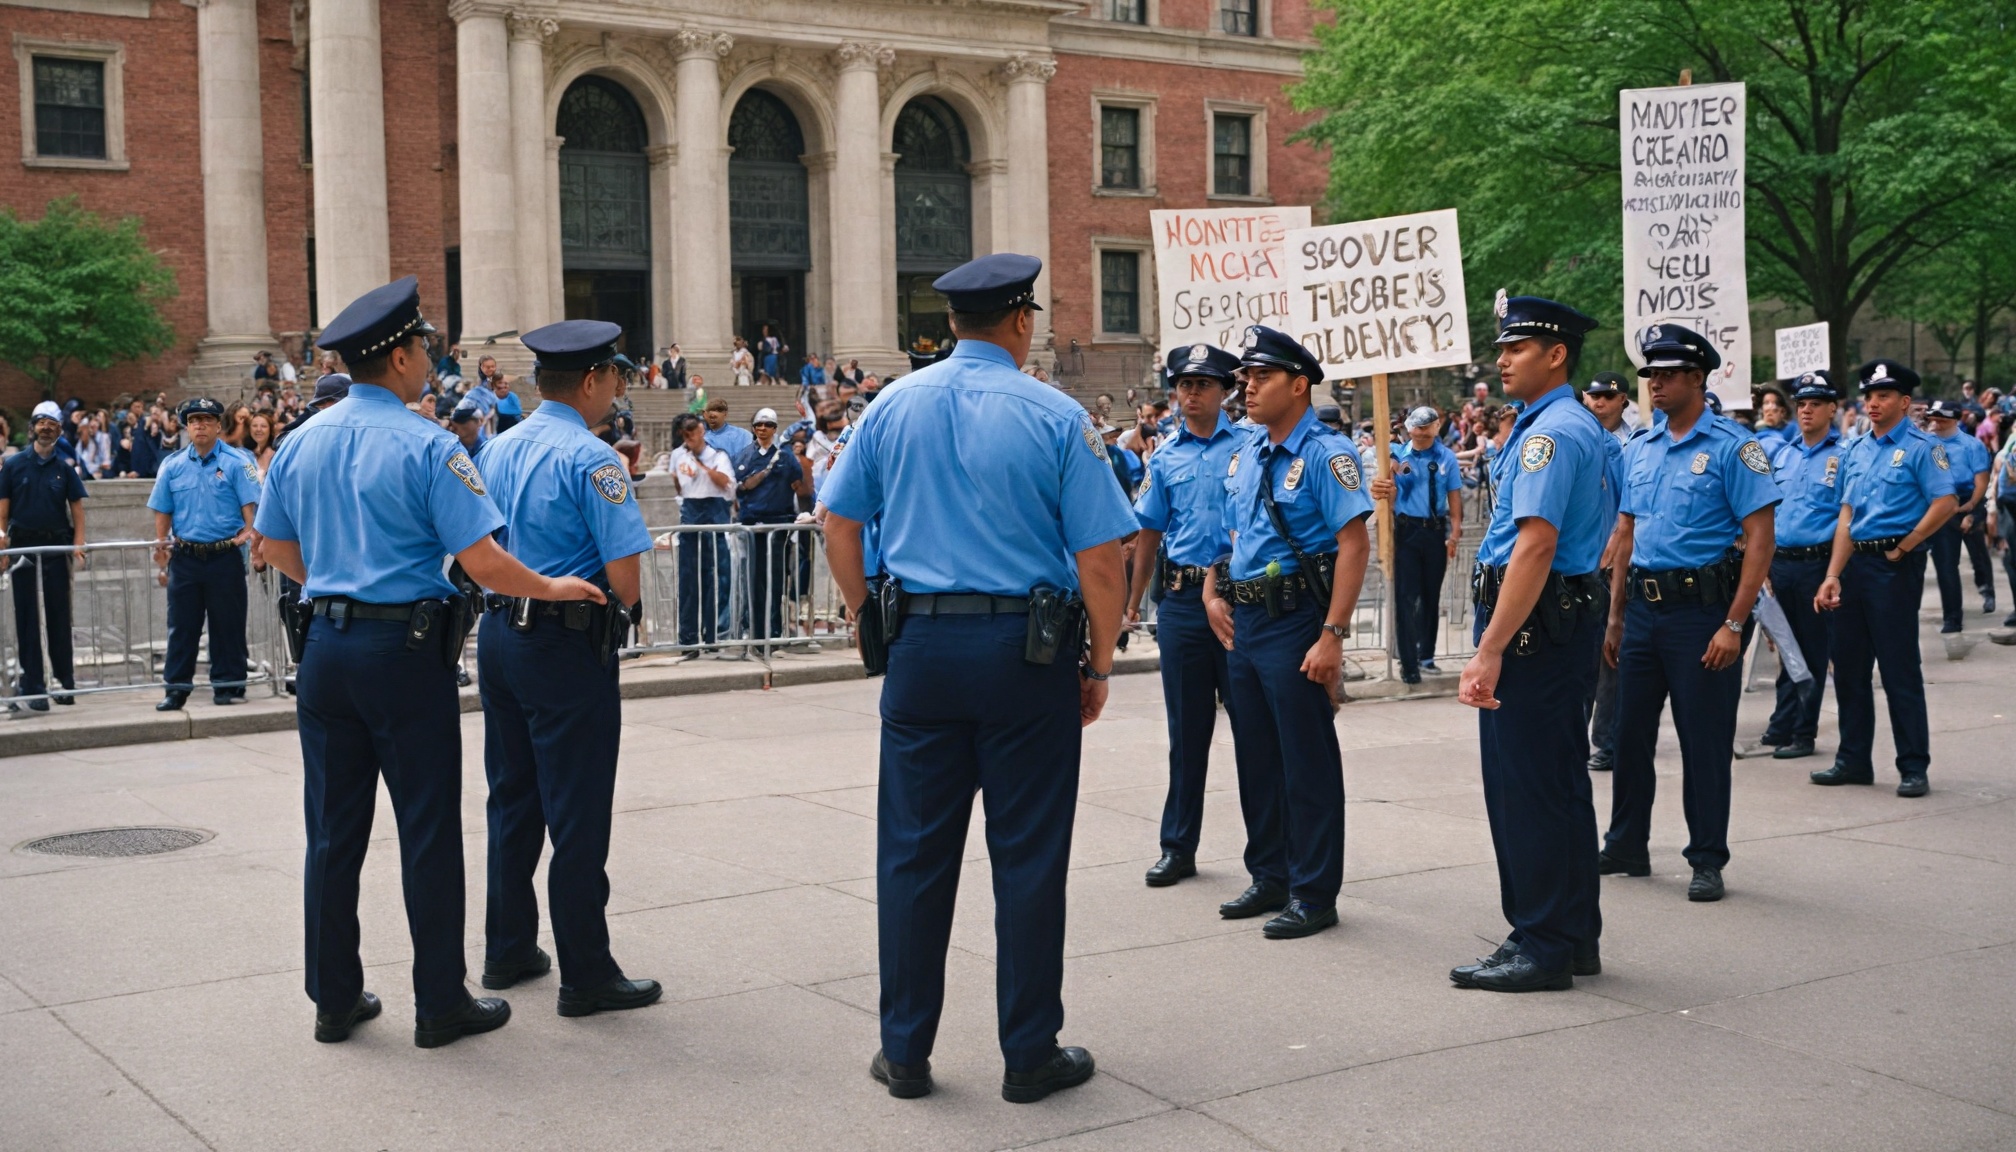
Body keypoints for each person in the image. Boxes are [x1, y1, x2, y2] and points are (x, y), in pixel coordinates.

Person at [253, 277, 606, 1049]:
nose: (429, 362)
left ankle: (333, 998)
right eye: (426, 350)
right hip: (402, 654)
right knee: (425, 830)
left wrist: (340, 578)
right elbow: (484, 561)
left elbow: (274, 547)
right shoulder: (430, 443)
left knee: (332, 833)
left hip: (325, 649)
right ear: (405, 356)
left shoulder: (301, 439)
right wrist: (548, 585)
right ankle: (440, 1000)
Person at [820, 252, 1134, 1104]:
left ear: (950, 325)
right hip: (1023, 658)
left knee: (913, 858)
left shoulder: (890, 406)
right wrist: (1099, 661)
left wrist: (863, 615)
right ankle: (1029, 1053)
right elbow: (1102, 561)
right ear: (1022, 322)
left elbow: (835, 519)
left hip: (921, 652)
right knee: (1027, 857)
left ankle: (905, 1051)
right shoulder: (1058, 416)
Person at [471, 319, 661, 1018]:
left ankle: (508, 946)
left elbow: (479, 545)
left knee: (512, 797)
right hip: (565, 641)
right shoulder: (596, 459)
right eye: (614, 376)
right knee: (576, 808)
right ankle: (585, 970)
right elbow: (626, 579)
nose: (616, 389)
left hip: (499, 635)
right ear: (591, 380)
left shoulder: (497, 447)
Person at [1449, 294, 1616, 993]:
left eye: (1517, 348)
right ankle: (1568, 934)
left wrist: (1489, 648)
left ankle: (1541, 943)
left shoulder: (1553, 433)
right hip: (1558, 623)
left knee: (1527, 791)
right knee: (1556, 785)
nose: (1502, 358)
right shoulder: (1564, 424)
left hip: (1535, 631)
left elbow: (1536, 542)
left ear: (1556, 356)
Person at [1204, 324, 1373, 940]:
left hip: (1298, 618)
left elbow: (1354, 544)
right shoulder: (1246, 450)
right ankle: (1270, 872)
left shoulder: (1328, 454)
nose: (1247, 387)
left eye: (1262, 377)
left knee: (1306, 760)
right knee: (1256, 753)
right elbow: (1234, 535)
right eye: (1246, 377)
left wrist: (1333, 633)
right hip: (1245, 620)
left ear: (1299, 385)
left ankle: (1313, 890)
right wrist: (1212, 590)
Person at [1601, 325, 1780, 904]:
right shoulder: (1640, 448)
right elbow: (1625, 534)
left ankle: (1706, 856)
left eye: (1669, 373)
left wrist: (1734, 624)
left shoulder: (1734, 446)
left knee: (1703, 740)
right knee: (1629, 735)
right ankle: (1626, 843)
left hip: (1702, 614)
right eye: (1650, 373)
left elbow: (1760, 540)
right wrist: (1614, 615)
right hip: (1643, 614)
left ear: (1698, 379)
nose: (1656, 383)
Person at [1124, 343, 1279, 894]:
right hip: (1184, 604)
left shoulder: (1253, 445)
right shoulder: (1164, 457)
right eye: (1184, 386)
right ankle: (1177, 846)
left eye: (1204, 385)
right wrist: (1132, 600)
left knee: (1255, 733)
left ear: (1225, 391)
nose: (1192, 394)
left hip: (1241, 600)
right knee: (1186, 733)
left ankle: (1267, 861)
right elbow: (1148, 532)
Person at [1812, 360, 1954, 798]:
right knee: (1850, 667)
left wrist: (1905, 546)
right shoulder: (1854, 449)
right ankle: (1853, 759)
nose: (1874, 403)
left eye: (1884, 396)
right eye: (1870, 396)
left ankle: (1913, 766)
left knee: (1898, 669)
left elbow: (1945, 502)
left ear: (1905, 402)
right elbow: (1847, 516)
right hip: (1855, 564)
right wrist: (1832, 574)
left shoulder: (1921, 447)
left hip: (1893, 566)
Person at [146, 397, 261, 711]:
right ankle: (176, 688)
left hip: (225, 555)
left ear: (218, 426)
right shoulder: (172, 465)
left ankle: (228, 685)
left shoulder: (238, 462)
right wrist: (161, 543)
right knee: (182, 626)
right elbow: (163, 509)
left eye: (207, 420)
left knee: (228, 624)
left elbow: (250, 505)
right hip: (185, 556)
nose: (200, 425)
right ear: (186, 426)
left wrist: (250, 534)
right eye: (194, 420)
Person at [1757, 372, 1845, 761]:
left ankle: (1803, 732)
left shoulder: (1843, 454)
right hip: (1782, 564)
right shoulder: (1784, 453)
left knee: (1810, 651)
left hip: (1816, 564)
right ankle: (1783, 721)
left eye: (1815, 403)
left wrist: (1834, 574)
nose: (1806, 410)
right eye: (1802, 403)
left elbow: (1847, 515)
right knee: (1784, 645)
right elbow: (1771, 510)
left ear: (1832, 409)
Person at [0, 401, 87, 711]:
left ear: (60, 430)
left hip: (55, 548)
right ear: (32, 428)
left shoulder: (65, 469)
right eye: (41, 422)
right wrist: (3, 543)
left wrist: (78, 544)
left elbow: (77, 509)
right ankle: (34, 686)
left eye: (52, 423)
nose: (46, 427)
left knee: (59, 616)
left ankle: (65, 683)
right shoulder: (12, 466)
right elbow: (3, 510)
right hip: (23, 548)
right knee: (26, 618)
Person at [1370, 406, 1463, 684]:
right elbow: (1378, 469)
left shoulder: (1447, 458)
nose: (1421, 433)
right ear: (1409, 428)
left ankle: (1427, 655)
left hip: (1435, 531)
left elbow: (1455, 501)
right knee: (1405, 598)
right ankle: (1408, 664)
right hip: (1407, 530)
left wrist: (1454, 535)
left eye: (1427, 427)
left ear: (1436, 427)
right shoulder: (1397, 454)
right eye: (1417, 428)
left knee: (1431, 596)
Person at [1581, 372, 1632, 771]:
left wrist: (1618, 545)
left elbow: (1629, 510)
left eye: (1607, 396)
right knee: (1579, 653)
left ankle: (1607, 741)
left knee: (1609, 653)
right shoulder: (1577, 438)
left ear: (1623, 401)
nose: (1599, 401)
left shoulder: (1632, 446)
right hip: (1581, 560)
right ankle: (1576, 737)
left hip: (1618, 559)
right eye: (1594, 395)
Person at [735, 407, 809, 642]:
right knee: (754, 579)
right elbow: (739, 486)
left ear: (775, 429)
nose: (763, 429)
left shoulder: (785, 456)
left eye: (768, 425)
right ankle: (755, 631)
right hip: (753, 525)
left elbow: (799, 485)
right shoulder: (745, 454)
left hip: (778, 526)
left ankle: (774, 632)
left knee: (776, 579)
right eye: (759, 425)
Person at [1922, 399, 1993, 630]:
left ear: (1955, 419)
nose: (1937, 423)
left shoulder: (1971, 445)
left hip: (1967, 501)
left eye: (1942, 419)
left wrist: (1972, 506)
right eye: (1934, 418)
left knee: (1977, 553)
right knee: (1945, 564)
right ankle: (1952, 616)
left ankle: (1986, 589)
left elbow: (1981, 480)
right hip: (1939, 505)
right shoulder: (1925, 444)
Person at [669, 412, 735, 655]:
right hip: (690, 515)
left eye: (694, 433)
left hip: (713, 514)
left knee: (715, 579)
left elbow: (725, 483)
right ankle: (688, 640)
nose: (691, 438)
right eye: (686, 435)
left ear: (702, 432)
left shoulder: (717, 456)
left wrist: (702, 466)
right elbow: (677, 482)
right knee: (688, 581)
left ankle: (713, 636)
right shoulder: (678, 455)